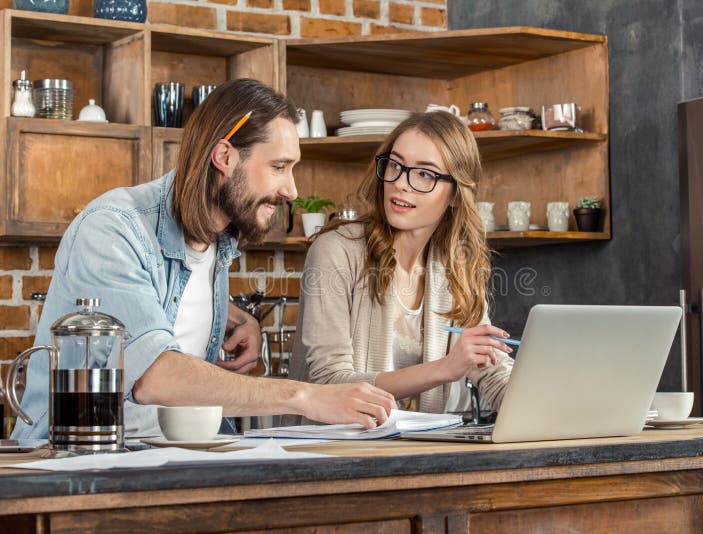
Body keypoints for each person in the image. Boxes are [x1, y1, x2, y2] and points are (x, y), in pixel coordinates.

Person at [12, 79, 394, 440]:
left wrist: (232, 315)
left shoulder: (218, 238)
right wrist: (305, 396)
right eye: (279, 167)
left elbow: (164, 296)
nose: (291, 190)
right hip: (76, 460)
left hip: (172, 455)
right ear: (224, 157)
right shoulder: (113, 227)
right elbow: (153, 377)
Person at [289, 111, 513, 418]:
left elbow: (494, 373)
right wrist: (445, 368)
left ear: (455, 195)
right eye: (395, 165)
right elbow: (329, 381)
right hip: (333, 443)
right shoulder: (336, 251)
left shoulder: (455, 268)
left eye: (424, 174)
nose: (401, 184)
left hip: (416, 443)